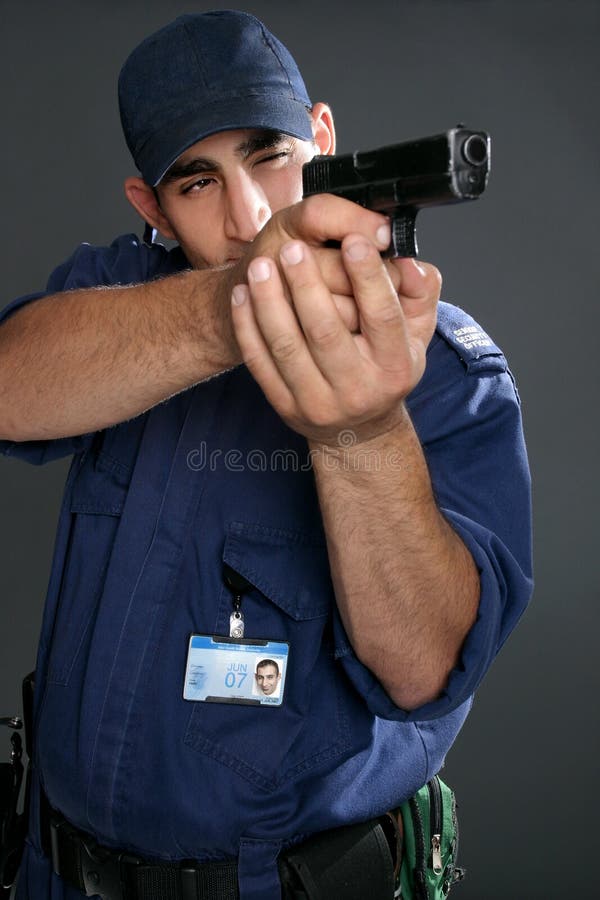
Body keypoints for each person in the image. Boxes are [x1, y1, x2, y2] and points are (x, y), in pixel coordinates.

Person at [0, 10, 533, 900]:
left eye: (270, 155)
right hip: (51, 875)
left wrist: (360, 432)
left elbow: (424, 668)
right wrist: (236, 305)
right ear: (151, 208)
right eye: (197, 182)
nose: (249, 216)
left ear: (322, 138)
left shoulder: (442, 368)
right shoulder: (117, 300)